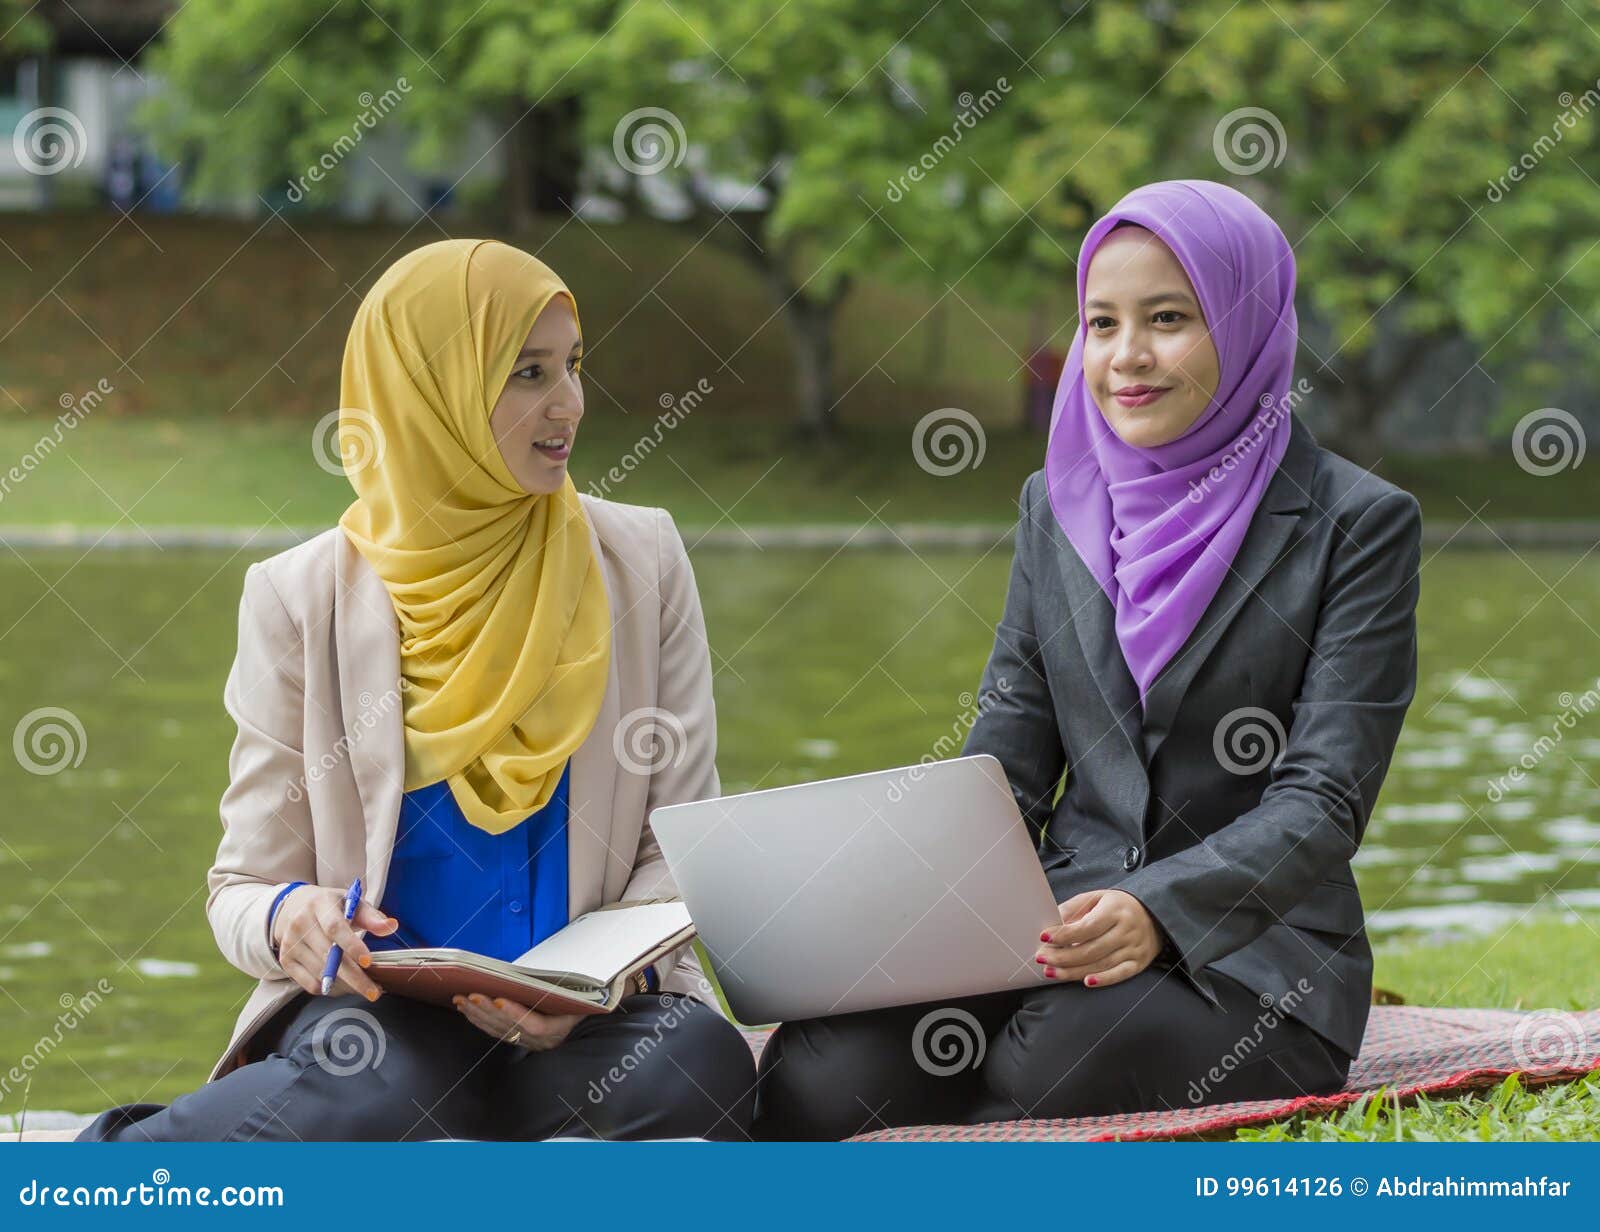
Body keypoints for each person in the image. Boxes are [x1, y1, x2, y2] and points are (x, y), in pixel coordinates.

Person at [753, 180, 1422, 1140]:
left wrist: (1157, 907)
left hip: (1254, 956)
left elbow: (1322, 804)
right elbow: (1010, 753)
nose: (1125, 357)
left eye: (1169, 319)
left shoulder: (1357, 525)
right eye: (1100, 324)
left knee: (1053, 1055)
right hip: (1053, 926)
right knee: (820, 1068)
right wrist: (902, 906)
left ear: (1248, 325)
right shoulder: (1058, 504)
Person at [76, 239, 756, 1142]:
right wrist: (290, 919)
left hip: (583, 1024)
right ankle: (122, 1160)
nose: (569, 405)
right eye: (526, 374)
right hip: (381, 1027)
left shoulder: (642, 559)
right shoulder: (299, 598)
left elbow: (680, 849)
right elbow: (240, 886)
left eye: (574, 367)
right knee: (386, 1091)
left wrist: (601, 988)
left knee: (696, 1065)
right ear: (426, 396)